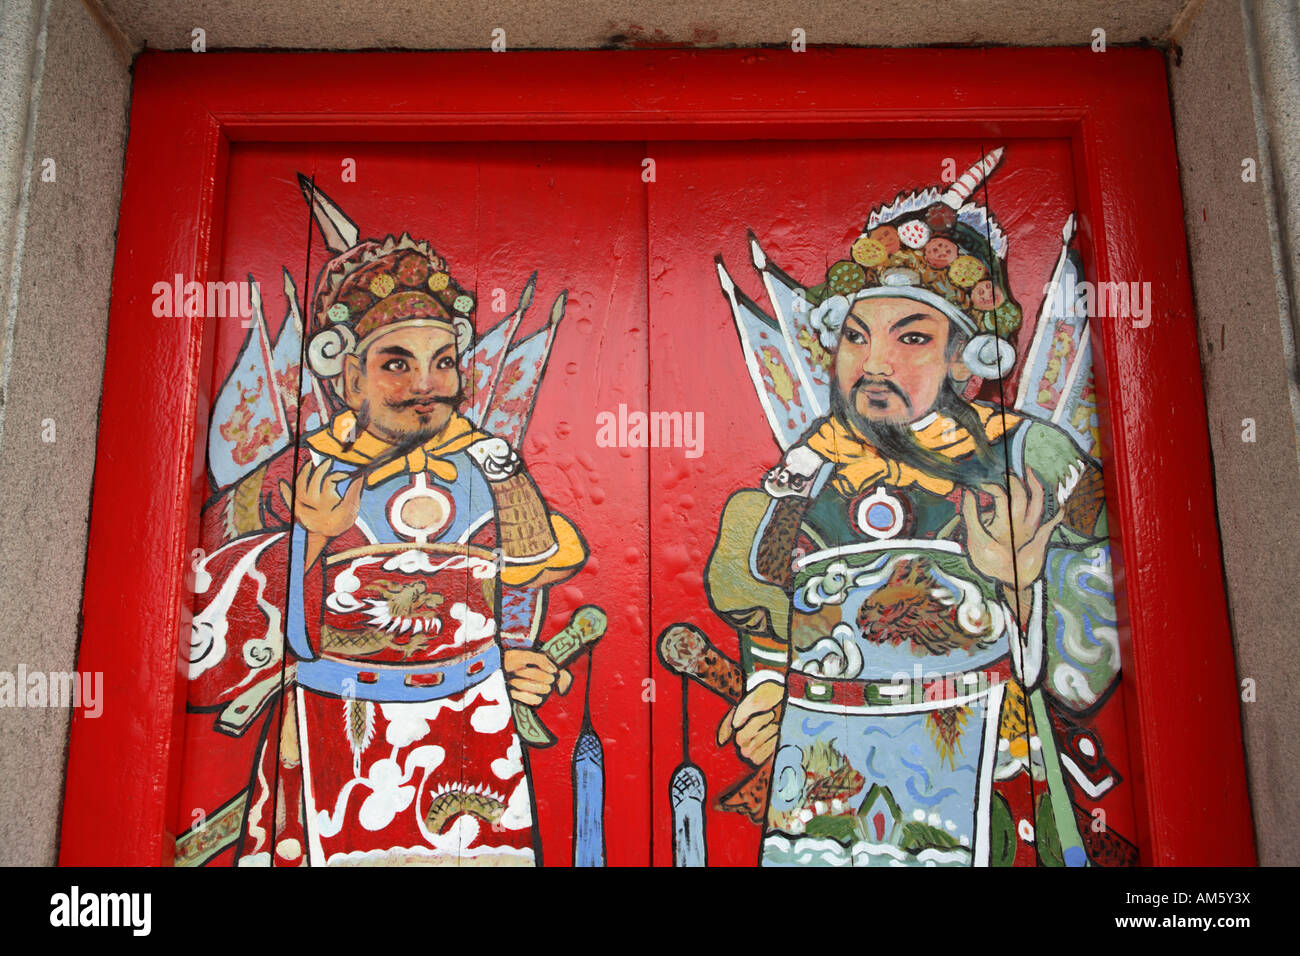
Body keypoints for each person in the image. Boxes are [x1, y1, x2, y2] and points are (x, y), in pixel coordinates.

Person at [705, 157, 1121, 866]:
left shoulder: (1028, 453)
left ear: (967, 359)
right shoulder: (811, 463)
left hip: (978, 743)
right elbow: (772, 594)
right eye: (856, 337)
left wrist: (1022, 582)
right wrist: (770, 683)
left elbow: (1106, 597)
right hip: (825, 757)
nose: (873, 365)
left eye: (913, 338)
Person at [187, 233, 586, 866]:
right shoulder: (297, 475)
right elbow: (200, 595)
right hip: (341, 726)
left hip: (475, 727)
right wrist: (310, 537)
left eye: (445, 362)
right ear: (350, 377)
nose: (427, 384)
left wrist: (513, 659)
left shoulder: (486, 470)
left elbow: (522, 579)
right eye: (397, 363)